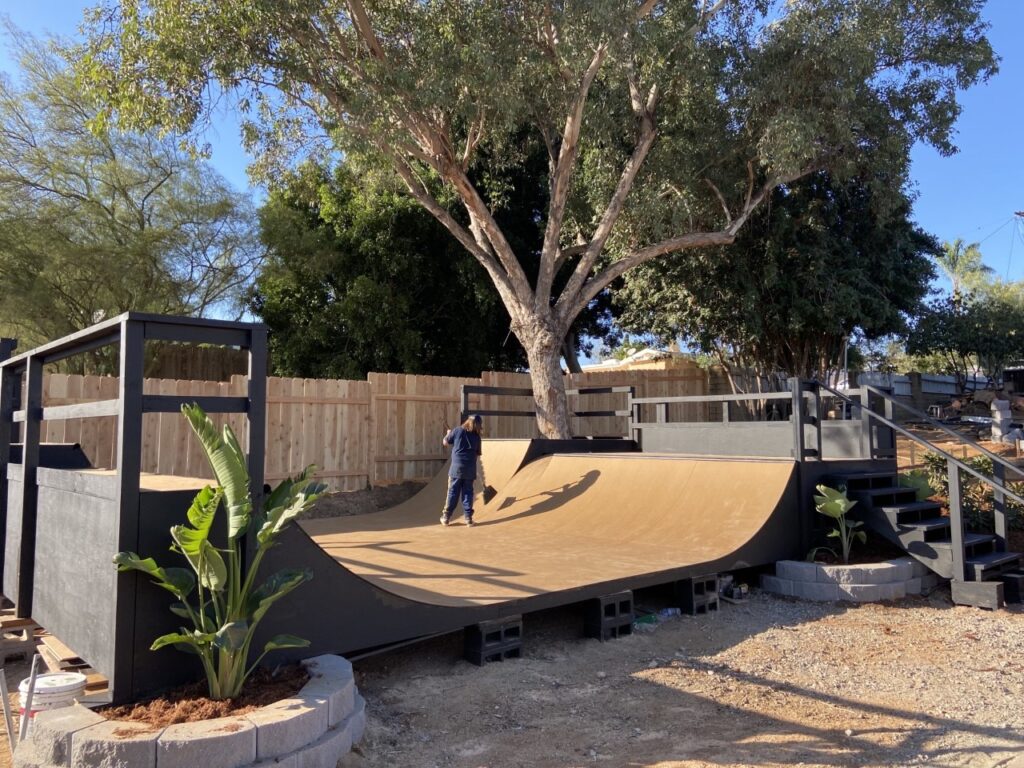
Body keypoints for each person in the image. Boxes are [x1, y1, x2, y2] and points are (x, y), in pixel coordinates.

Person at [440, 414, 483, 526]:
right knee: (468, 493)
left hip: (456, 469)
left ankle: (446, 517)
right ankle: (468, 519)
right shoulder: (477, 437)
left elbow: (445, 442)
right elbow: (477, 454)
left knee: (453, 492)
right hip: (469, 470)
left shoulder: (457, 430)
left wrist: (448, 434)